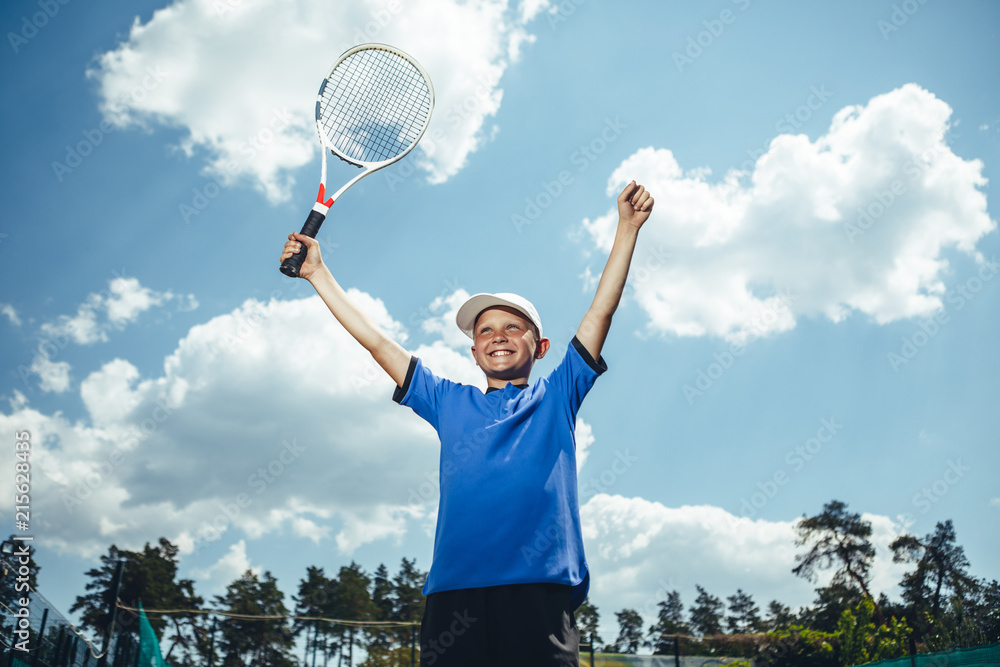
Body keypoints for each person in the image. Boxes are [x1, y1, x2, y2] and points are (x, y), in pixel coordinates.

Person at [280, 180, 654, 666]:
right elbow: (377, 343)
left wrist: (626, 229)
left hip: (538, 595)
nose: (498, 336)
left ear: (540, 347)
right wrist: (318, 273)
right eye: (485, 331)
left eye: (513, 327)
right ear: (474, 352)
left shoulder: (558, 394)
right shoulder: (447, 402)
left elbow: (600, 311)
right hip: (456, 598)